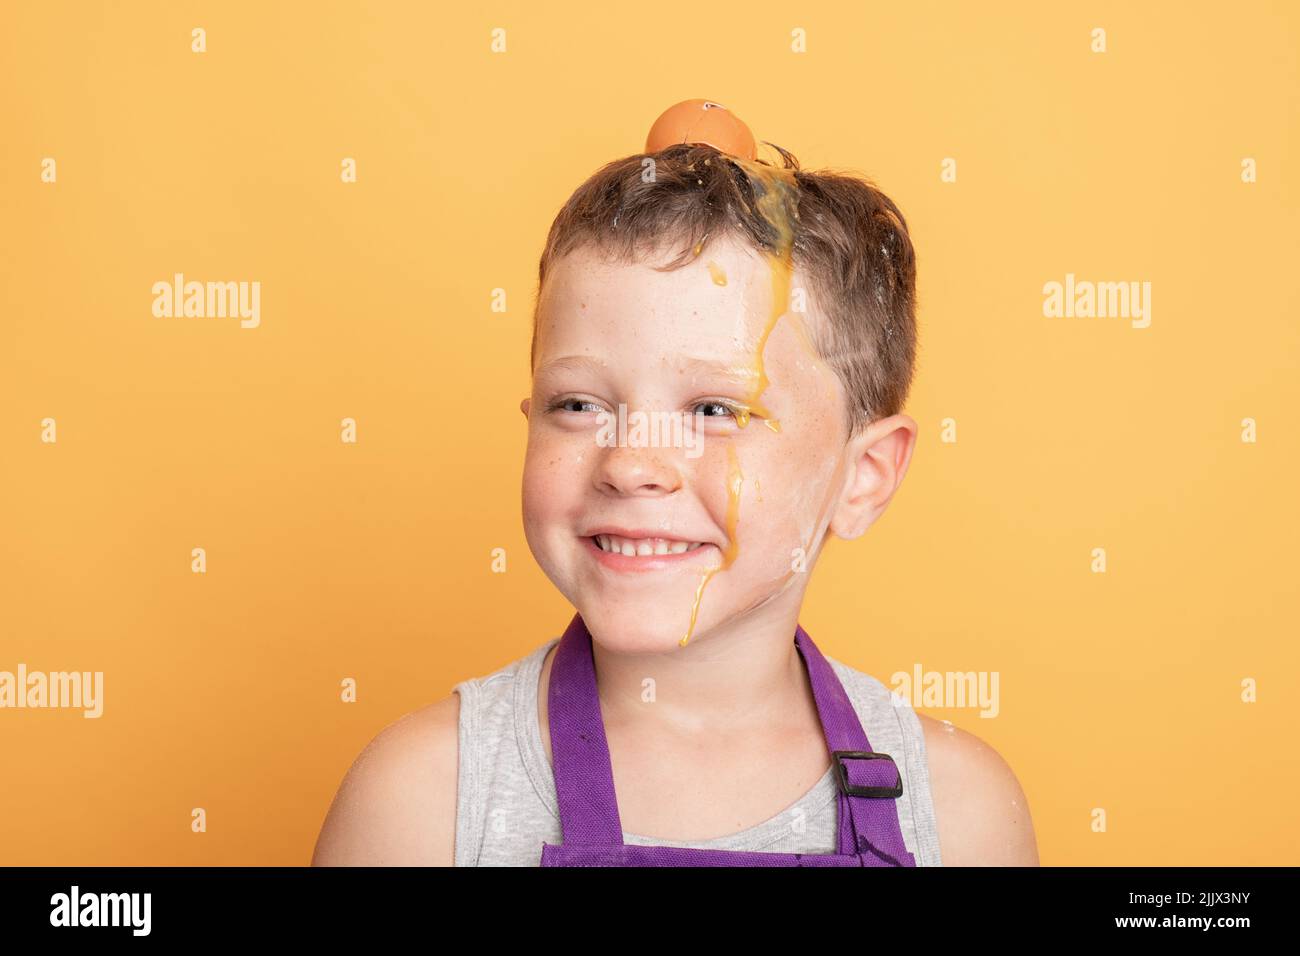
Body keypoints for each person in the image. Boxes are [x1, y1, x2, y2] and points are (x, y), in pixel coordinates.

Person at [313, 101, 1039, 867]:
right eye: (579, 405)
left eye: (715, 410)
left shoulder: (959, 813)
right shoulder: (422, 800)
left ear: (863, 477)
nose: (630, 462)